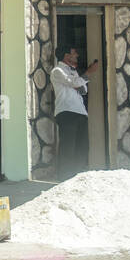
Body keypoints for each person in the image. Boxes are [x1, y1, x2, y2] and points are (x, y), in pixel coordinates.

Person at [51, 47, 99, 180]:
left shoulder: (73, 71)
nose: (77, 55)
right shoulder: (57, 71)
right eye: (74, 53)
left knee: (82, 146)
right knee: (68, 146)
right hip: (67, 112)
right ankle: (64, 178)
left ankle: (75, 178)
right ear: (66, 56)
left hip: (80, 112)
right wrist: (88, 72)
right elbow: (74, 83)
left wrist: (82, 77)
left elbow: (83, 90)